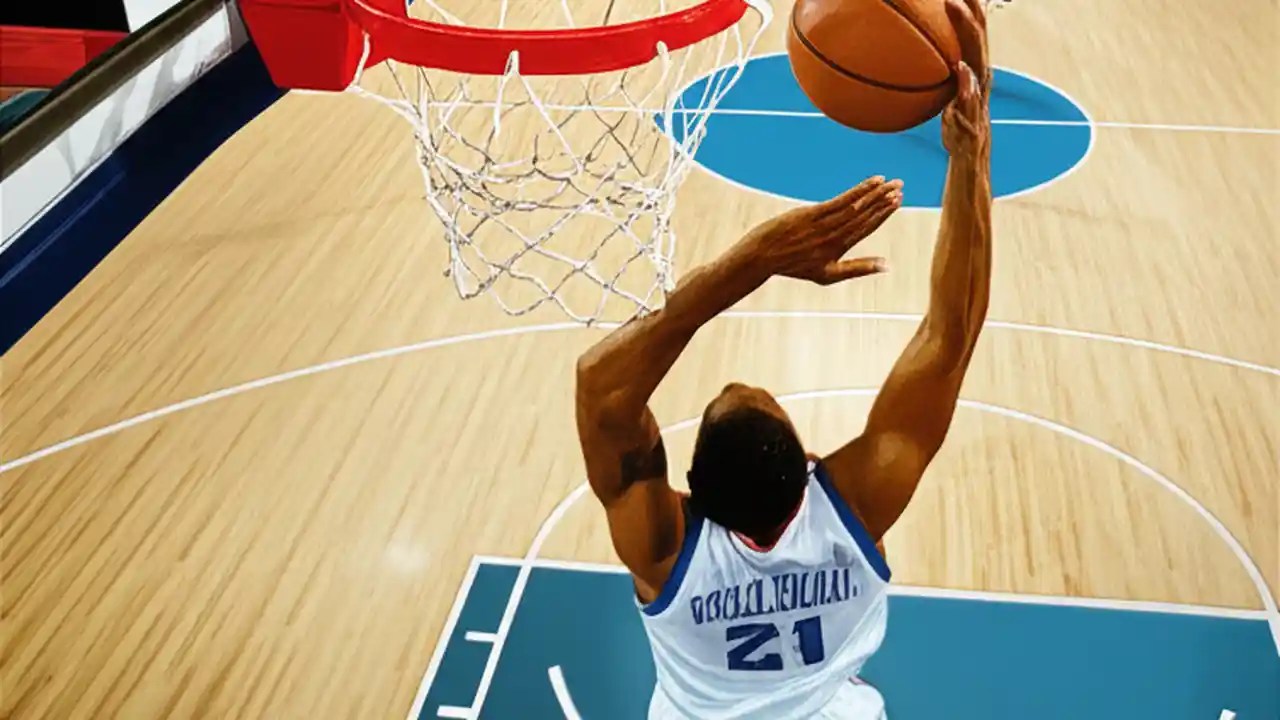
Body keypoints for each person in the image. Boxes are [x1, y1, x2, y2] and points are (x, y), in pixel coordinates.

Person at [572, 0, 993, 716]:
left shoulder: (664, 548)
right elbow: (950, 335)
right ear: (809, 471)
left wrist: (757, 258)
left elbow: (600, 388)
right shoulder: (852, 508)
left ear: (690, 494)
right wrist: (970, 153)